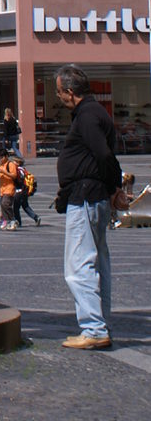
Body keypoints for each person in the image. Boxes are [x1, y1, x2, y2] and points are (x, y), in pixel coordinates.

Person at [55, 63, 124, 350]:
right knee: (97, 262)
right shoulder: (96, 113)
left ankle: (94, 328)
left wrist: (113, 187)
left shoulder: (87, 116)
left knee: (78, 265)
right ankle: (99, 325)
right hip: (93, 195)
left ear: (70, 92)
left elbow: (103, 154)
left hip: (85, 196)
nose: (58, 97)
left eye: (59, 92)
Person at [0, 149, 22, 229]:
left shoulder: (10, 164)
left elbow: (14, 176)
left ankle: (13, 220)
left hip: (9, 188)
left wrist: (4, 172)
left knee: (6, 204)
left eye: (2, 157)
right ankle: (8, 221)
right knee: (2, 205)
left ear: (6, 156)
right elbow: (0, 176)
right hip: (2, 188)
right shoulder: (1, 165)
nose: (0, 159)